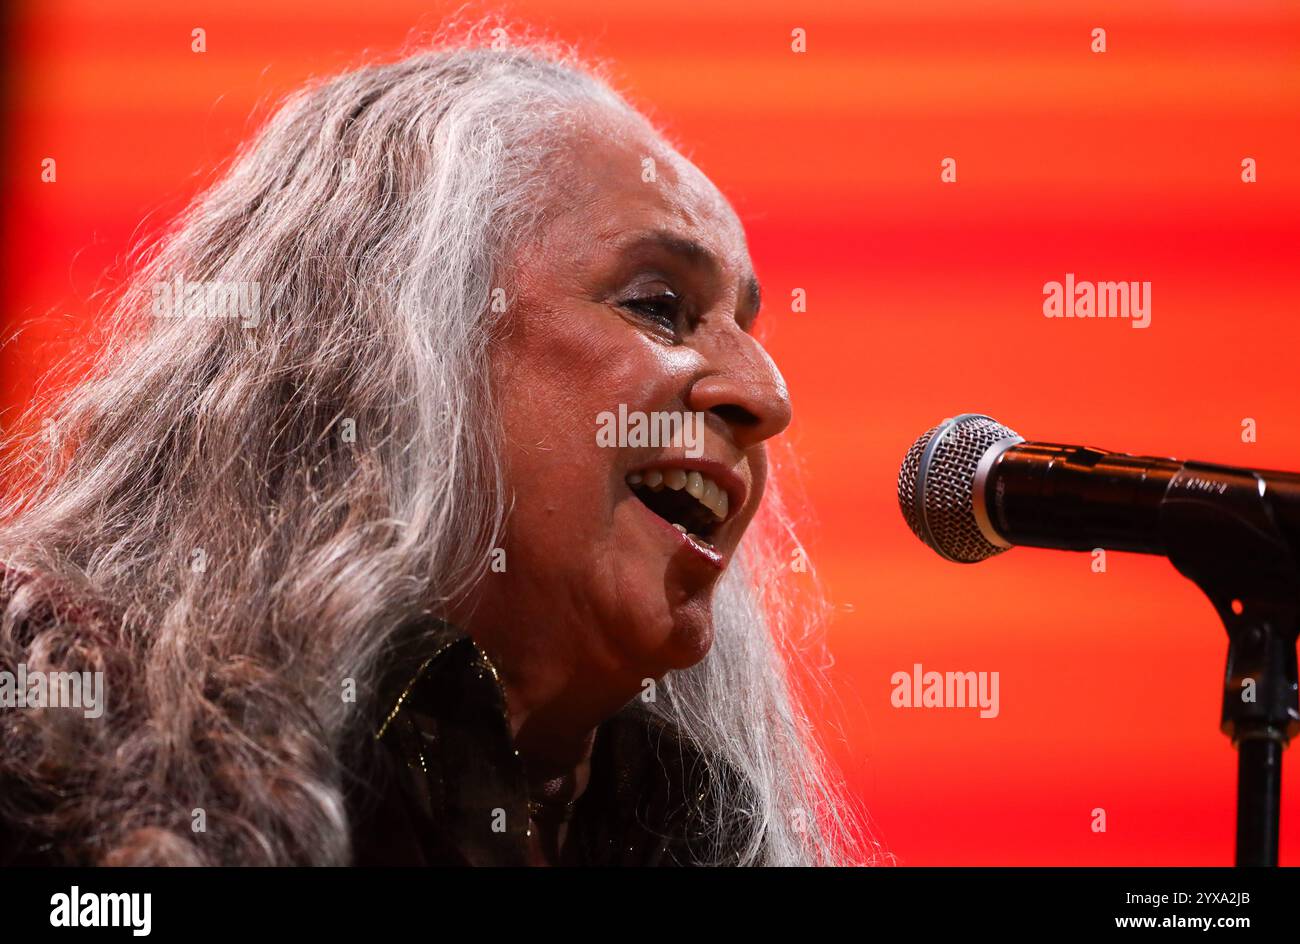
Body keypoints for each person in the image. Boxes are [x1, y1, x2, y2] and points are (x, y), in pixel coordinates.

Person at [0, 29, 870, 866]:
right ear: (384, 349)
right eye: (654, 305)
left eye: (746, 329)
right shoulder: (37, 756)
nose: (765, 397)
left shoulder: (698, 832)